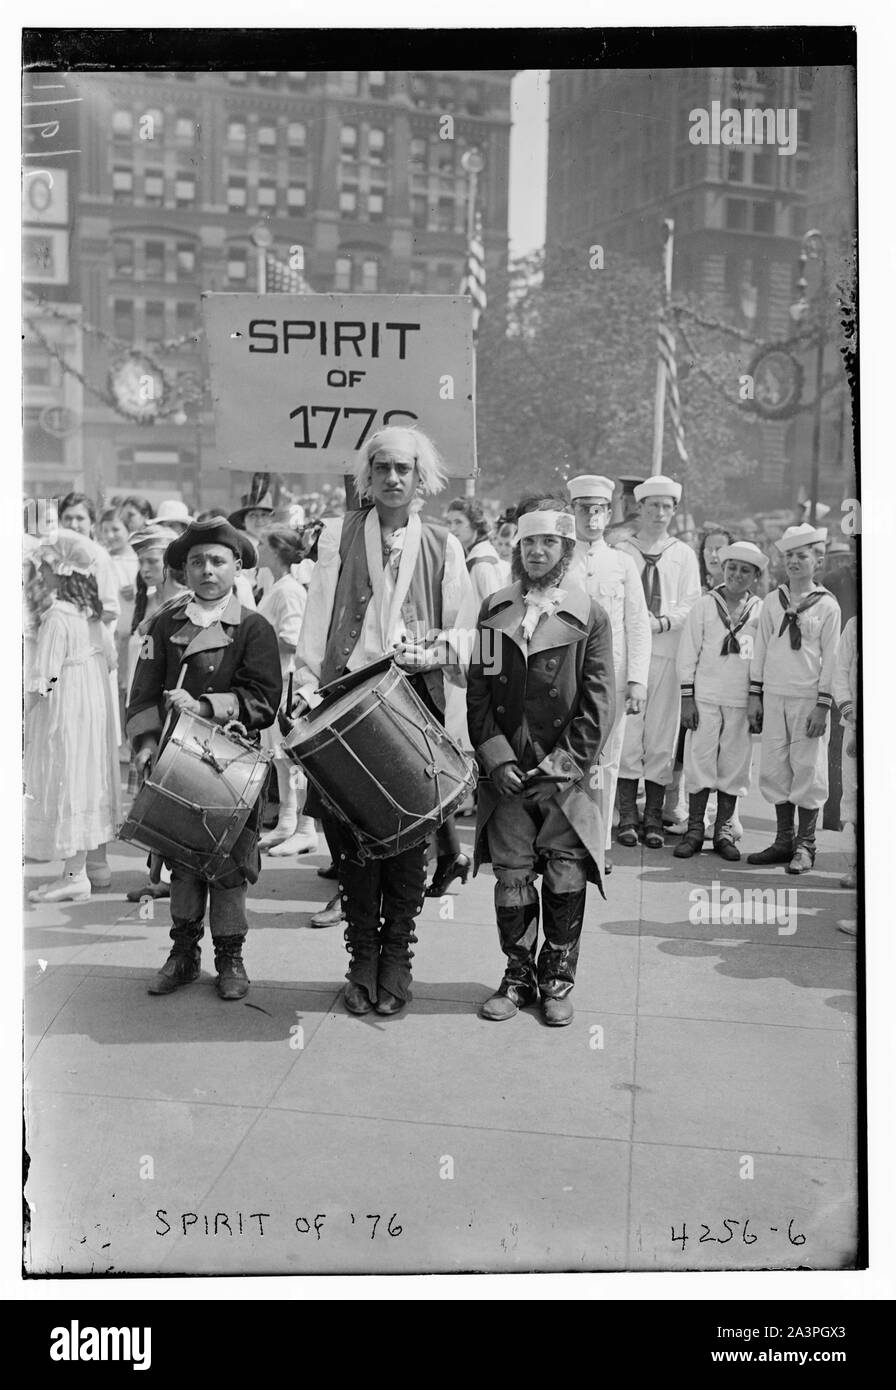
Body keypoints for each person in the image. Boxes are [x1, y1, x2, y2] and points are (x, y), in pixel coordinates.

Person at [292, 425, 473, 1016]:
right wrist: (305, 686)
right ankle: (360, 956)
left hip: (412, 702)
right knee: (350, 838)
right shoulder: (338, 537)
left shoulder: (443, 544)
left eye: (405, 469)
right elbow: (318, 616)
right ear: (366, 477)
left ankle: (397, 954)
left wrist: (437, 648)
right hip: (345, 699)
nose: (394, 478)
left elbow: (473, 636)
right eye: (383, 468)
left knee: (405, 841)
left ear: (422, 480)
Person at [467, 504, 616, 1026]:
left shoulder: (589, 615)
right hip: (508, 774)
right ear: (517, 550)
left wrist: (559, 767)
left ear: (566, 552)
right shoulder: (495, 608)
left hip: (564, 776)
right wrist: (497, 759)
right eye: (528, 544)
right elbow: (480, 694)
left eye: (548, 544)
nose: (536, 553)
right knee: (511, 875)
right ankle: (516, 977)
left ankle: (556, 981)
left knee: (564, 870)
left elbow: (600, 705)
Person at [126, 517, 282, 999]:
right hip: (177, 763)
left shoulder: (254, 627)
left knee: (230, 863)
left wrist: (208, 707)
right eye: (197, 562)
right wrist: (146, 744)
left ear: (237, 567)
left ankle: (230, 959)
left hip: (232, 765)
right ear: (183, 570)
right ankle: (183, 954)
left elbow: (264, 698)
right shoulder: (161, 624)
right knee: (184, 861)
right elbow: (142, 695)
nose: (207, 570)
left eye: (217, 561)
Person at [25, 530, 119, 903]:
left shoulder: (58, 618)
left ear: (60, 573)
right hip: (92, 710)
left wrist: (27, 710)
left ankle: (74, 876)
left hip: (68, 710)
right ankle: (97, 866)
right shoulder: (91, 616)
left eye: (44, 569)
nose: (40, 576)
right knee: (87, 775)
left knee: (68, 777)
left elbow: (45, 677)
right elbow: (110, 661)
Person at [566, 475, 650, 873]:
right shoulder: (561, 558)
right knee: (566, 754)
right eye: (584, 509)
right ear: (573, 512)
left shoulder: (622, 563)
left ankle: (598, 843)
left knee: (607, 760)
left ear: (609, 512)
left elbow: (637, 623)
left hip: (610, 675)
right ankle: (566, 837)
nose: (592, 518)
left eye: (599, 509)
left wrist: (637, 680)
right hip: (565, 674)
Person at [747, 524, 841, 874]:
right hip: (774, 695)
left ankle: (806, 844)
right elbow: (760, 651)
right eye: (789, 556)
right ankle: (783, 840)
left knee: (808, 766)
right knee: (774, 766)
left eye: (803, 555)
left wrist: (822, 703)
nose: (795, 562)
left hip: (807, 698)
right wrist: (755, 695)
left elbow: (831, 658)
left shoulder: (827, 606)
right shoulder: (773, 601)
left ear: (818, 560)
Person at [615, 476, 701, 848]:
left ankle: (653, 817)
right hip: (632, 655)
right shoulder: (623, 551)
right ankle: (627, 818)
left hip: (667, 651)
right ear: (640, 507)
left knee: (661, 735)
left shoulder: (682, 553)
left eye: (666, 507)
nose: (659, 513)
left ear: (674, 511)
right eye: (652, 506)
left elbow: (691, 602)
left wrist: (663, 621)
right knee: (629, 732)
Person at [675, 541, 767, 860]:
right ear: (723, 569)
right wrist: (688, 698)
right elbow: (688, 652)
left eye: (745, 570)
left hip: (740, 699)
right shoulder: (705, 604)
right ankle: (696, 829)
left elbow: (760, 658)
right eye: (731, 568)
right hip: (705, 697)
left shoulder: (760, 609)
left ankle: (724, 830)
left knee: (735, 762)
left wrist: (757, 697)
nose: (737, 575)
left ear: (755, 575)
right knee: (700, 759)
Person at [59, 492, 121, 888]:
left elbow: (107, 611)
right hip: (65, 669)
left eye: (81, 518)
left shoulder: (98, 556)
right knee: (75, 762)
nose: (75, 525)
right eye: (69, 517)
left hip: (90, 664)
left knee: (89, 762)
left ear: (92, 523)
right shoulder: (54, 560)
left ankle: (90, 865)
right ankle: (90, 864)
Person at [256, 526, 318, 856]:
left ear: (276, 549)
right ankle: (286, 822)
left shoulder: (288, 590)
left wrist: (255, 640)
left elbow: (293, 638)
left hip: (288, 682)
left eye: (263, 543)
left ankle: (306, 828)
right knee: (281, 760)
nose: (258, 548)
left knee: (293, 762)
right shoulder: (277, 587)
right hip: (274, 681)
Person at [832, 615, 858, 904]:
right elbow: (841, 671)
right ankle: (857, 867)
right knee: (853, 795)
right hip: (856, 723)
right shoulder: (855, 625)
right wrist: (850, 713)